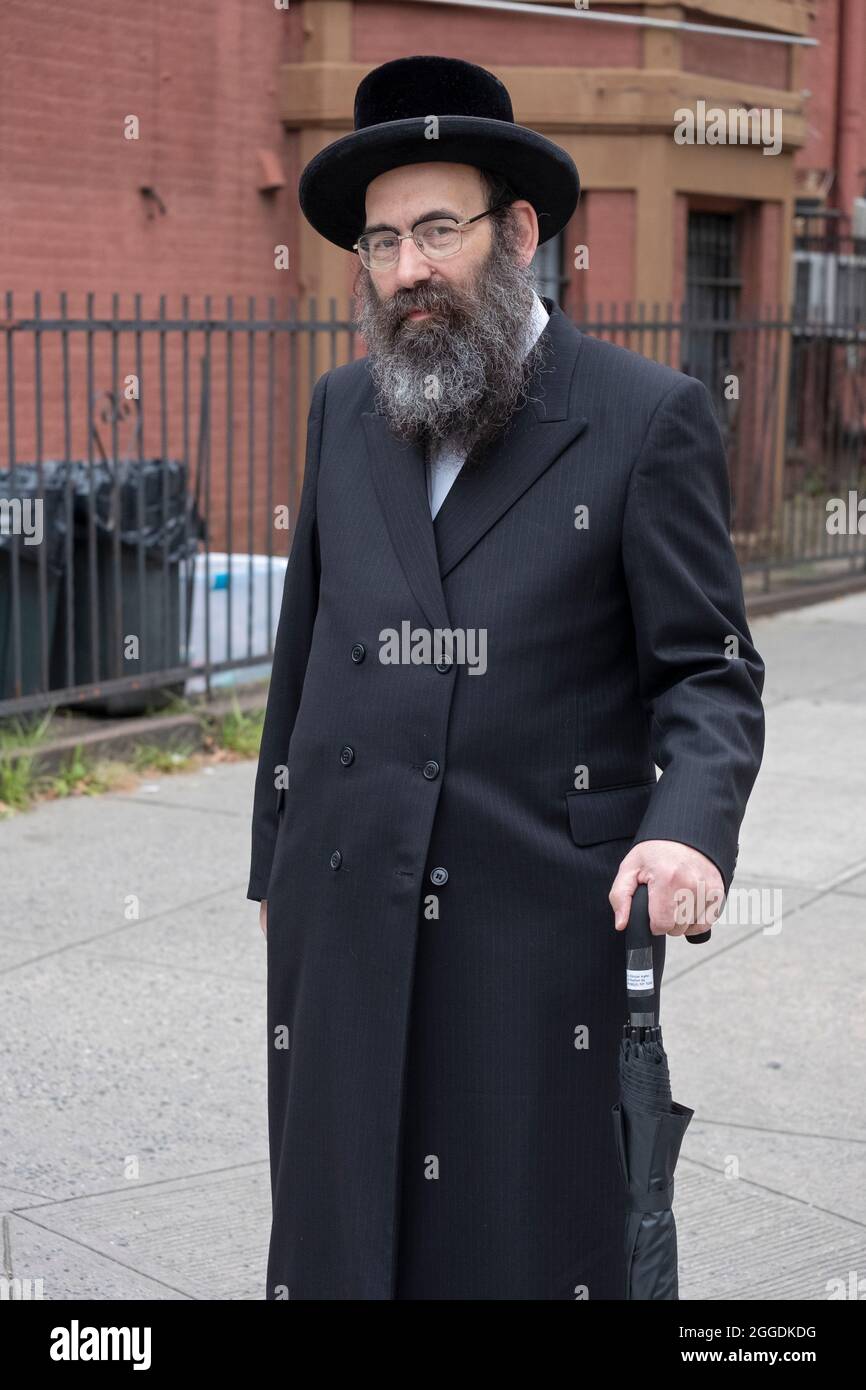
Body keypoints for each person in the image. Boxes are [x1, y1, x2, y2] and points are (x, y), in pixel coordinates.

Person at [247, 55, 765, 1300]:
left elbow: (709, 671)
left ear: (518, 231)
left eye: (437, 228)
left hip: (531, 926)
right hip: (343, 907)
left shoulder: (644, 416)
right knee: (340, 1237)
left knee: (513, 1242)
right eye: (380, 242)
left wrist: (686, 834)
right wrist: (275, 855)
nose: (408, 269)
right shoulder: (340, 409)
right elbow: (304, 646)